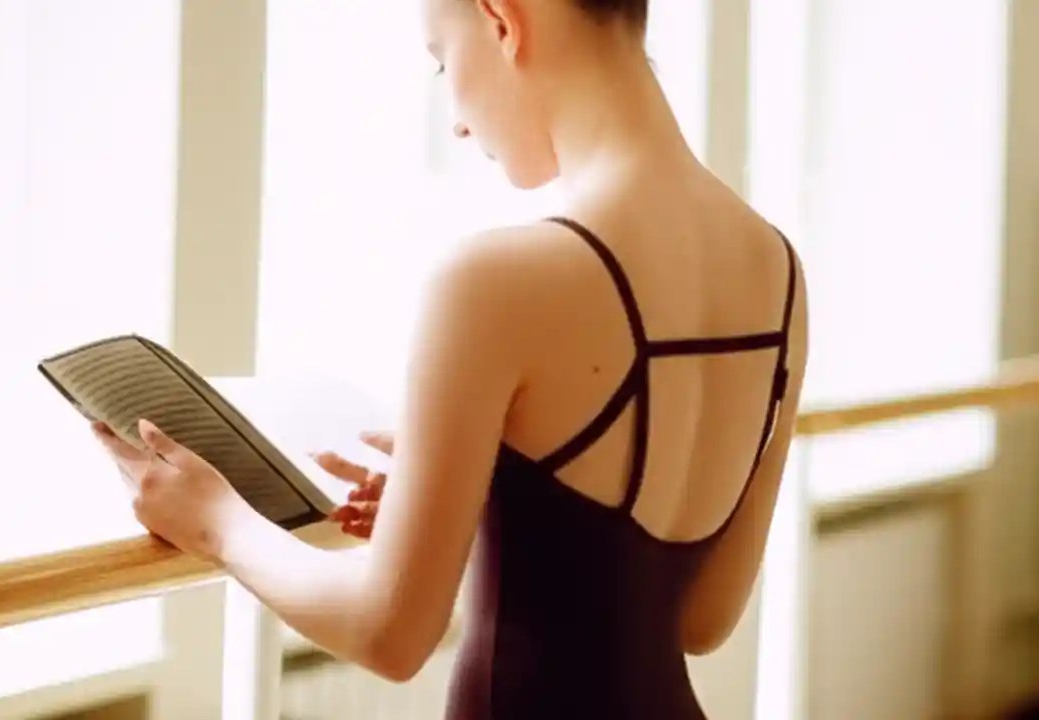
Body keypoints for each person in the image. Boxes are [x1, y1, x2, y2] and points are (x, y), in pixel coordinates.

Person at [92, 0, 807, 717]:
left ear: (502, 19)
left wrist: (216, 520)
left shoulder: (497, 280)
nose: (457, 120)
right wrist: (490, 509)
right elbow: (699, 619)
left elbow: (389, 633)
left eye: (441, 58)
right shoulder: (778, 270)